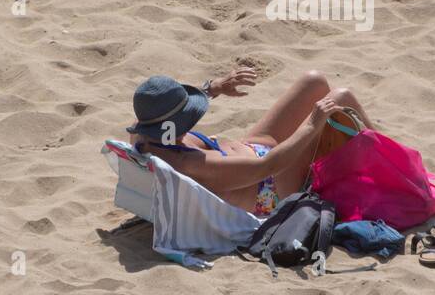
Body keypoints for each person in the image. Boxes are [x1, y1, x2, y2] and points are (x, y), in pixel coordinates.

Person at [126, 68, 375, 216]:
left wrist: (211, 89)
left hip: (253, 148)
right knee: (341, 99)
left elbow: (155, 113)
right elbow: (266, 167)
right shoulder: (189, 163)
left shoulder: (146, 134)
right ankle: (394, 164)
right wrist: (313, 124)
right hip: (272, 186)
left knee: (314, 81)